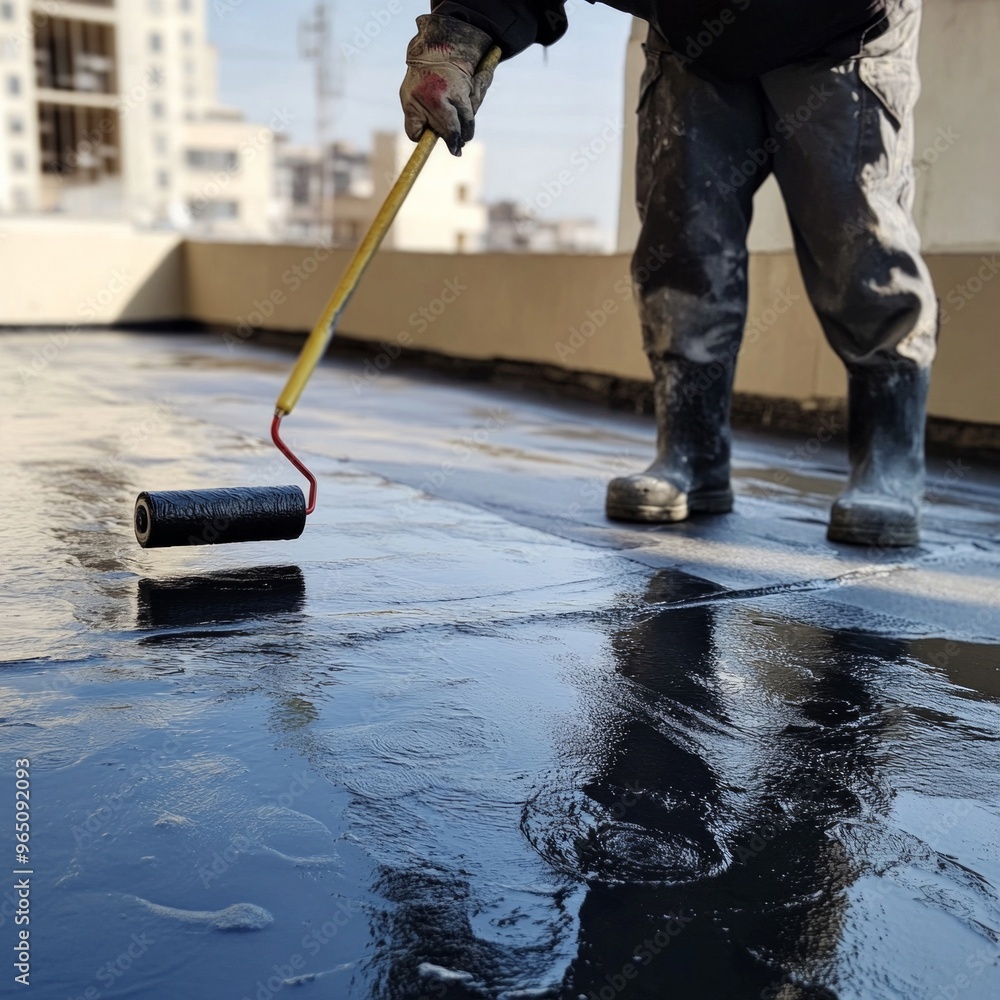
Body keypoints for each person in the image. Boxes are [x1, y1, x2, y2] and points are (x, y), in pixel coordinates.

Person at [399, 1, 938, 547]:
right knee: (682, 241)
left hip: (843, 33)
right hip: (692, 41)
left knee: (859, 246)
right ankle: (691, 452)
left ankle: (889, 460)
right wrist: (458, 33)